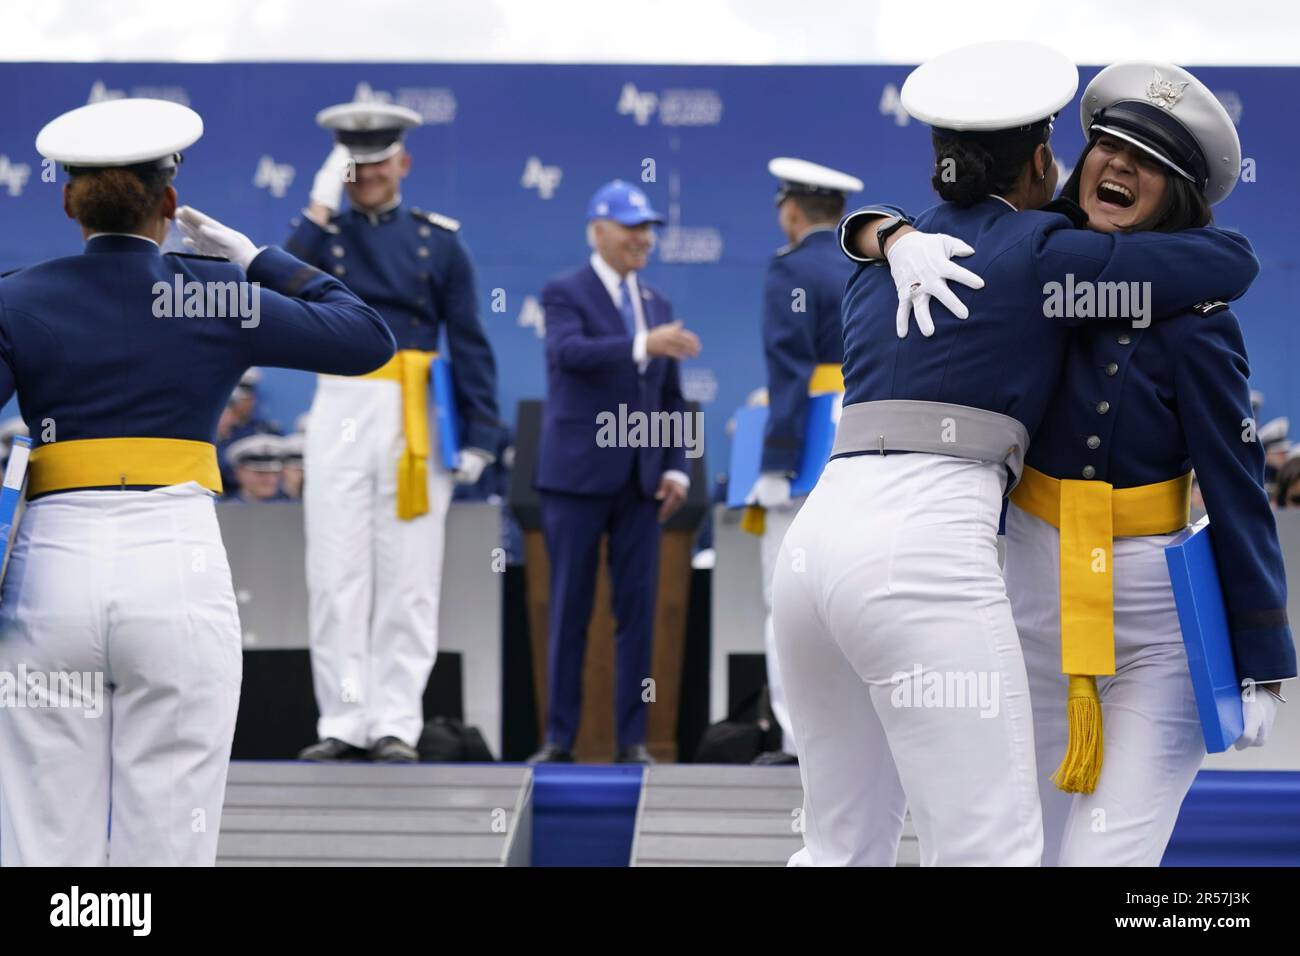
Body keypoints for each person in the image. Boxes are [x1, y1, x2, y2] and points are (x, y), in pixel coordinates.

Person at [772, 41, 1259, 866]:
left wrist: (885, 233)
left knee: (838, 849)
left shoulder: (879, 266)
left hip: (812, 553)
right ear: (1042, 159)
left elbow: (850, 239)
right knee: (990, 851)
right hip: (921, 557)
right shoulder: (1040, 253)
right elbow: (1227, 260)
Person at [0, 97, 393, 866]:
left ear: (68, 201)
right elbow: (366, 337)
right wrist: (256, 258)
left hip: (49, 572)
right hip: (173, 566)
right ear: (171, 201)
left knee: (44, 828)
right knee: (169, 822)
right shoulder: (210, 292)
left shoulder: (16, 296)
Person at [997, 62, 1294, 865]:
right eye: (1110, 145)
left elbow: (1237, 487)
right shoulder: (1027, 267)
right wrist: (884, 232)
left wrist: (1262, 657)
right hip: (1024, 606)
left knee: (1101, 861)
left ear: (1177, 194)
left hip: (1157, 628)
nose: (1121, 165)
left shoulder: (1199, 325)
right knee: (1019, 851)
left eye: (1150, 160)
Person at [285, 101, 502, 764]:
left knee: (408, 577)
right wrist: (317, 211)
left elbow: (469, 341)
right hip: (342, 405)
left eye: (377, 164)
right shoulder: (321, 239)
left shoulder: (441, 241)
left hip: (415, 414)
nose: (366, 177)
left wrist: (481, 435)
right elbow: (271, 287)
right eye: (353, 166)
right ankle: (344, 718)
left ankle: (396, 723)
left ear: (402, 163)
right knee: (334, 571)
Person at [528, 181, 699, 764]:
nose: (642, 238)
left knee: (639, 614)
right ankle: (559, 739)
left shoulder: (657, 304)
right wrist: (641, 343)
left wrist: (678, 467)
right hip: (574, 480)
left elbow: (674, 398)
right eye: (631, 227)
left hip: (641, 483)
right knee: (569, 610)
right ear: (597, 231)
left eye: (647, 227)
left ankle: (633, 741)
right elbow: (568, 355)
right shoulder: (564, 293)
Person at [746, 158, 862, 766]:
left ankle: (799, 743)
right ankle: (857, 743)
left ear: (792, 212)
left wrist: (776, 461)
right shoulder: (872, 267)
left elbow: (789, 374)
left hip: (809, 451)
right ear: (838, 212)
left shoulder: (789, 270)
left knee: (788, 600)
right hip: (871, 444)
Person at [226, 433, 289, 502]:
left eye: (274, 473)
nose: (269, 479)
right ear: (239, 472)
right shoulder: (220, 509)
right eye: (260, 473)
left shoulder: (294, 508)